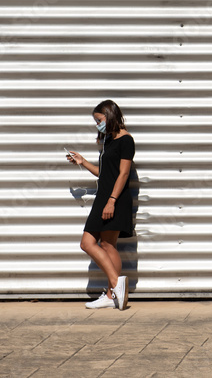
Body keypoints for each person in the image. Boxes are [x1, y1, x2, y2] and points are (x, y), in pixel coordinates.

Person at [66, 100, 135, 310]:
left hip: (115, 198)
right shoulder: (109, 142)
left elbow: (123, 174)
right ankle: (112, 295)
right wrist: (83, 162)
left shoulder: (126, 141)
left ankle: (115, 285)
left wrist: (112, 201)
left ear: (110, 115)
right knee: (106, 245)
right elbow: (105, 174)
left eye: (99, 120)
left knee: (89, 243)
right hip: (104, 196)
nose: (98, 125)